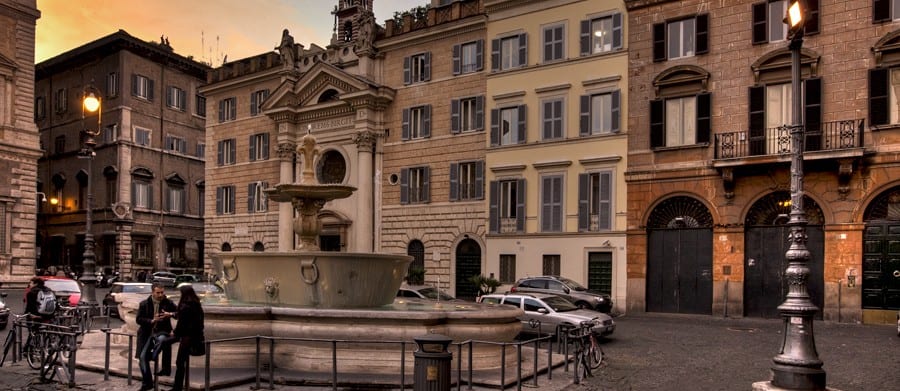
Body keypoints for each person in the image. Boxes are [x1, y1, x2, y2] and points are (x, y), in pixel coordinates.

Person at [155, 284, 205, 391]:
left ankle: (174, 384)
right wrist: (171, 314)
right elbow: (182, 316)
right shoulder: (196, 304)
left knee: (179, 362)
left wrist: (175, 332)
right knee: (166, 343)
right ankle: (166, 370)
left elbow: (182, 322)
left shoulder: (185, 305)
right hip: (193, 336)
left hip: (186, 337)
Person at [136, 283, 177, 391]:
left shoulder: (168, 303)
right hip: (146, 333)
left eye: (162, 292)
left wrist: (170, 314)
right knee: (142, 358)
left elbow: (179, 313)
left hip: (162, 331)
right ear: (152, 292)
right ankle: (147, 382)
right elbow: (138, 319)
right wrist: (151, 321)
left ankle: (154, 356)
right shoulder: (144, 304)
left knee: (162, 339)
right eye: (158, 292)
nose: (160, 295)